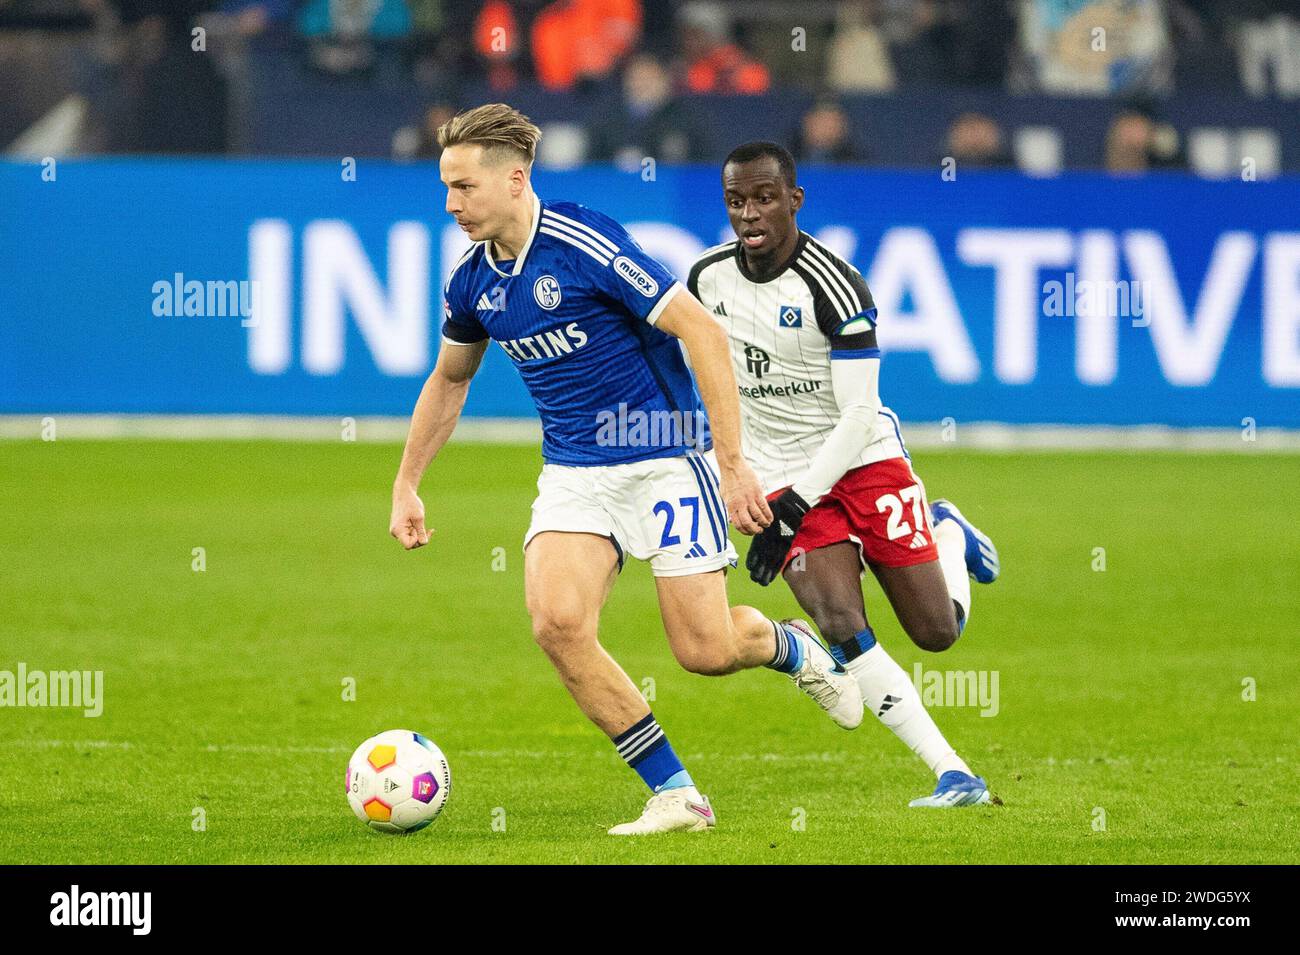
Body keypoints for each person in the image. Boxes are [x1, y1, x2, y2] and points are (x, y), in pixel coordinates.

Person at [389, 106, 863, 835]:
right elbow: (451, 380)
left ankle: (790, 644)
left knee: (704, 651)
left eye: (463, 186)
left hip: (667, 458)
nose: (451, 204)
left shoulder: (586, 241)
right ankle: (676, 792)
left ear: (515, 180)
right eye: (446, 188)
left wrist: (732, 464)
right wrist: (407, 481)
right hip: (577, 473)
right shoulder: (471, 282)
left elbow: (700, 329)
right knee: (557, 622)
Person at [687, 141, 1001, 808]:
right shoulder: (706, 279)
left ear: (793, 201)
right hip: (779, 474)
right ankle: (954, 772)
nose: (750, 213)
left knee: (936, 632)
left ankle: (948, 534)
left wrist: (796, 507)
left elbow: (859, 415)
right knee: (839, 619)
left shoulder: (837, 285)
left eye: (764, 198)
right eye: (737, 201)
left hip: (862, 461)